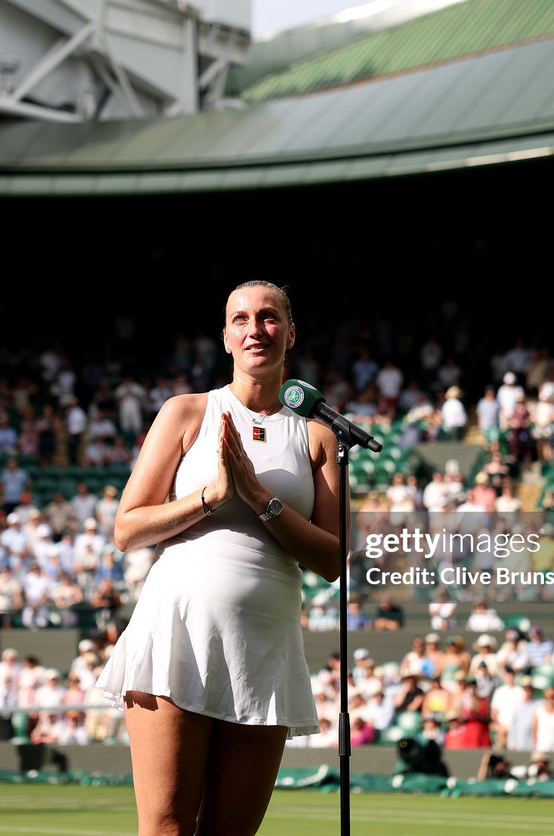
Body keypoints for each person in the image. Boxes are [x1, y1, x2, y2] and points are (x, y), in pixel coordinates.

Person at [94, 282, 340, 835]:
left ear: (291, 334)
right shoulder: (187, 412)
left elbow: (333, 559)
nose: (256, 328)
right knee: (167, 828)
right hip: (178, 632)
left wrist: (261, 500)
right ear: (226, 336)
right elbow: (127, 528)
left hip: (265, 645)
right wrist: (212, 495)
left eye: (270, 317)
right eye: (242, 319)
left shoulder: (319, 436)